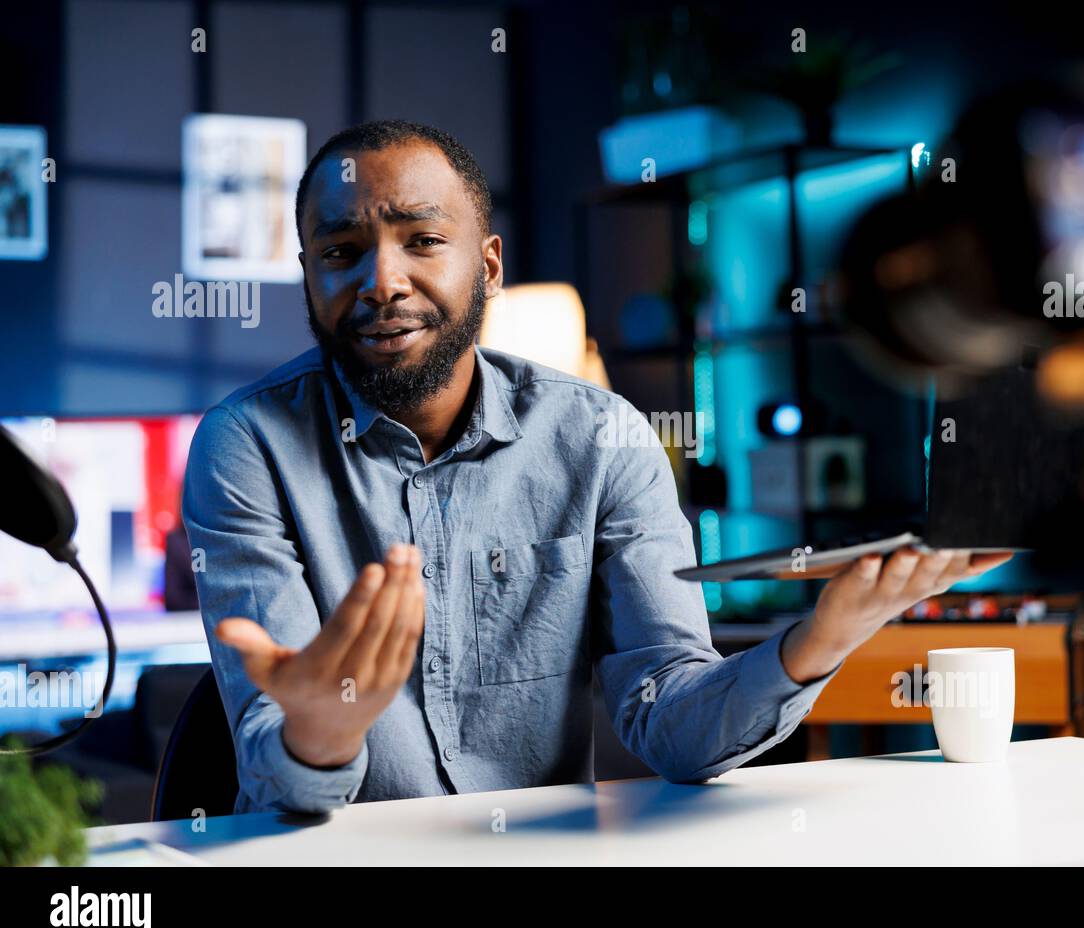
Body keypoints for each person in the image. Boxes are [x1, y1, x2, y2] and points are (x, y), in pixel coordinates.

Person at [183, 119, 1011, 814]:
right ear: (308, 275)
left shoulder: (602, 437)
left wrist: (819, 640)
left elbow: (672, 725)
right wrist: (319, 733)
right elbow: (274, 768)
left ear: (491, 266)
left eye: (423, 241)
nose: (381, 281)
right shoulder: (244, 447)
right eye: (341, 251)